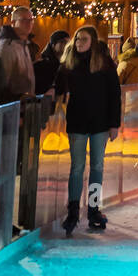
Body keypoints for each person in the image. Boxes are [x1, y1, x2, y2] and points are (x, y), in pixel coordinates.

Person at [55, 26, 121, 235]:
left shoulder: (104, 63)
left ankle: (93, 209)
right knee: (76, 167)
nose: (79, 43)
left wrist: (114, 124)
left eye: (83, 39)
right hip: (77, 123)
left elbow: (114, 94)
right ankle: (73, 211)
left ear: (92, 41)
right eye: (76, 40)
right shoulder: (68, 64)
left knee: (97, 167)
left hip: (100, 124)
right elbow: (57, 87)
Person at [0, 6, 38, 99]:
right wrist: (17, 97)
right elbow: (2, 80)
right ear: (13, 23)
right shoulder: (7, 46)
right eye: (24, 20)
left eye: (31, 20)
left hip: (25, 104)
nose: (29, 23)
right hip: (13, 105)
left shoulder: (25, 43)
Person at [34, 30, 70, 96]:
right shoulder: (41, 65)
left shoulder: (68, 64)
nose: (66, 45)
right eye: (63, 42)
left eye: (68, 42)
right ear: (53, 45)